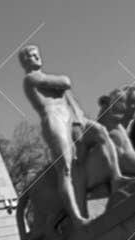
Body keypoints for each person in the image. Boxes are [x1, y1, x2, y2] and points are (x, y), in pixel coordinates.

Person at [18, 44, 117, 226]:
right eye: (31, 56)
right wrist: (63, 83)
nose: (36, 58)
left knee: (102, 132)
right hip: (55, 120)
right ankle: (77, 217)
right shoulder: (31, 78)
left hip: (72, 117)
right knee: (66, 168)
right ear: (25, 62)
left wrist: (79, 121)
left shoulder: (43, 78)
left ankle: (117, 178)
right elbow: (65, 82)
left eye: (36, 54)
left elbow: (66, 90)